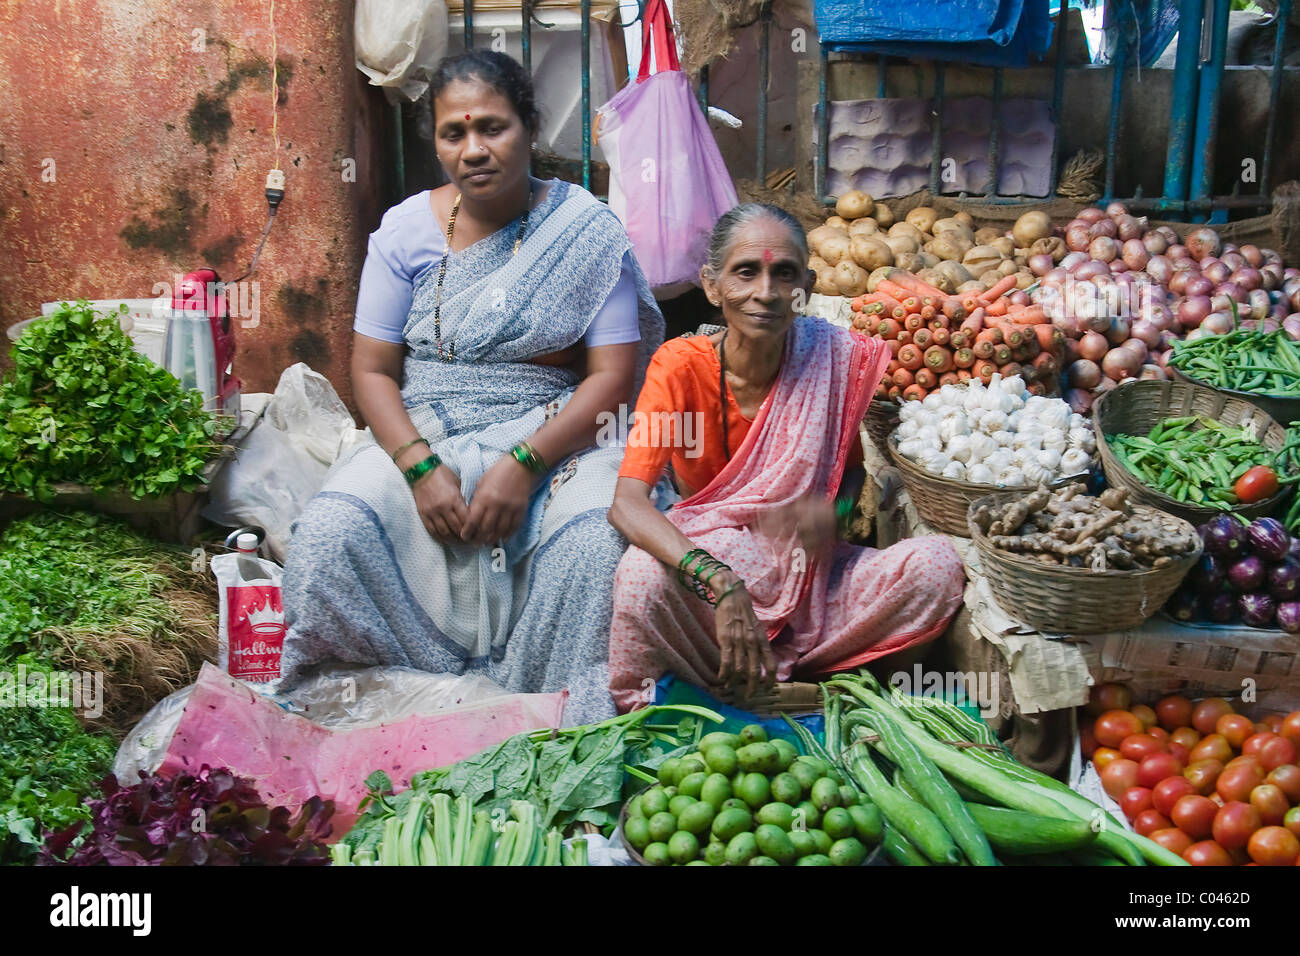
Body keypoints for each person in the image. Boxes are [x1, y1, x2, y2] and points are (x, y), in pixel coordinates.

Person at [281, 51, 664, 725]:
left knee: (594, 547)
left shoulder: (585, 232)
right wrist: (419, 467)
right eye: (453, 133)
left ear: (529, 127)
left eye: (493, 127)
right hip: (426, 426)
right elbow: (371, 371)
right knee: (331, 530)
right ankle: (367, 709)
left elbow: (611, 378)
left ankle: (553, 718)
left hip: (559, 430)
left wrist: (524, 464)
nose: (474, 149)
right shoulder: (405, 230)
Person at [606, 203, 965, 710]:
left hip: (812, 580)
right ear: (711, 286)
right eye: (746, 272)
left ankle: (801, 688)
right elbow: (627, 504)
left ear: (808, 286)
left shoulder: (830, 358)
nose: (766, 293)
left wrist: (830, 515)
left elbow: (847, 487)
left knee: (936, 564)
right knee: (642, 574)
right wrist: (721, 582)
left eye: (785, 274)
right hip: (717, 578)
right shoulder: (680, 366)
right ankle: (798, 689)